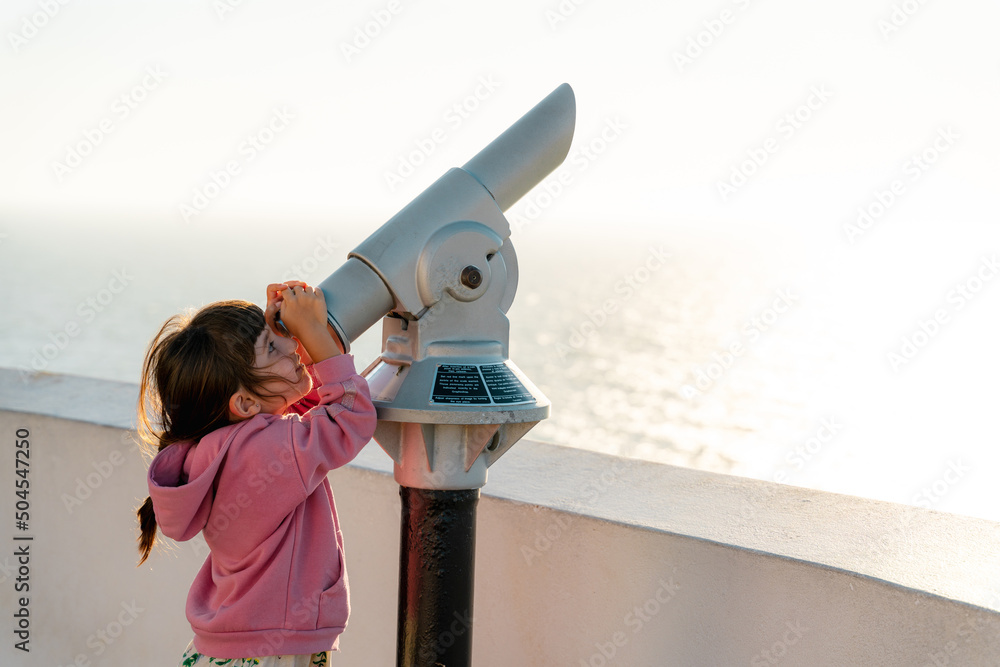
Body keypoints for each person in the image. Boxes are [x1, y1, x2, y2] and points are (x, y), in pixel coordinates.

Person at [135, 281, 378, 666]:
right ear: (244, 402)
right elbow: (348, 419)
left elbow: (310, 409)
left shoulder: (223, 448)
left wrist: (300, 333)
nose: (294, 348)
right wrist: (315, 333)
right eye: (272, 347)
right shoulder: (262, 451)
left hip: (241, 643)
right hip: (273, 648)